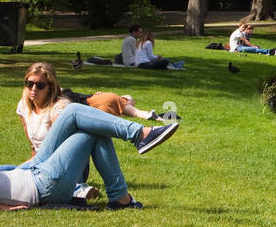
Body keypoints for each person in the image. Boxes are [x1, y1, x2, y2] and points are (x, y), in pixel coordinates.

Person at [0, 106, 178, 213]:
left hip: (29, 170)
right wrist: (3, 210)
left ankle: (139, 139)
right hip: (41, 186)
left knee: (71, 112)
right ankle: (138, 140)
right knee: (92, 133)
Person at [15, 62, 173, 160]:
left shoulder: (60, 105)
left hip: (61, 161)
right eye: (29, 84)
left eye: (40, 85)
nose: (33, 89)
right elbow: (33, 145)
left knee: (87, 121)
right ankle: (141, 134)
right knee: (2, 171)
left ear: (51, 88)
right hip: (42, 162)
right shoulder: (24, 106)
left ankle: (140, 133)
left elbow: (62, 148)